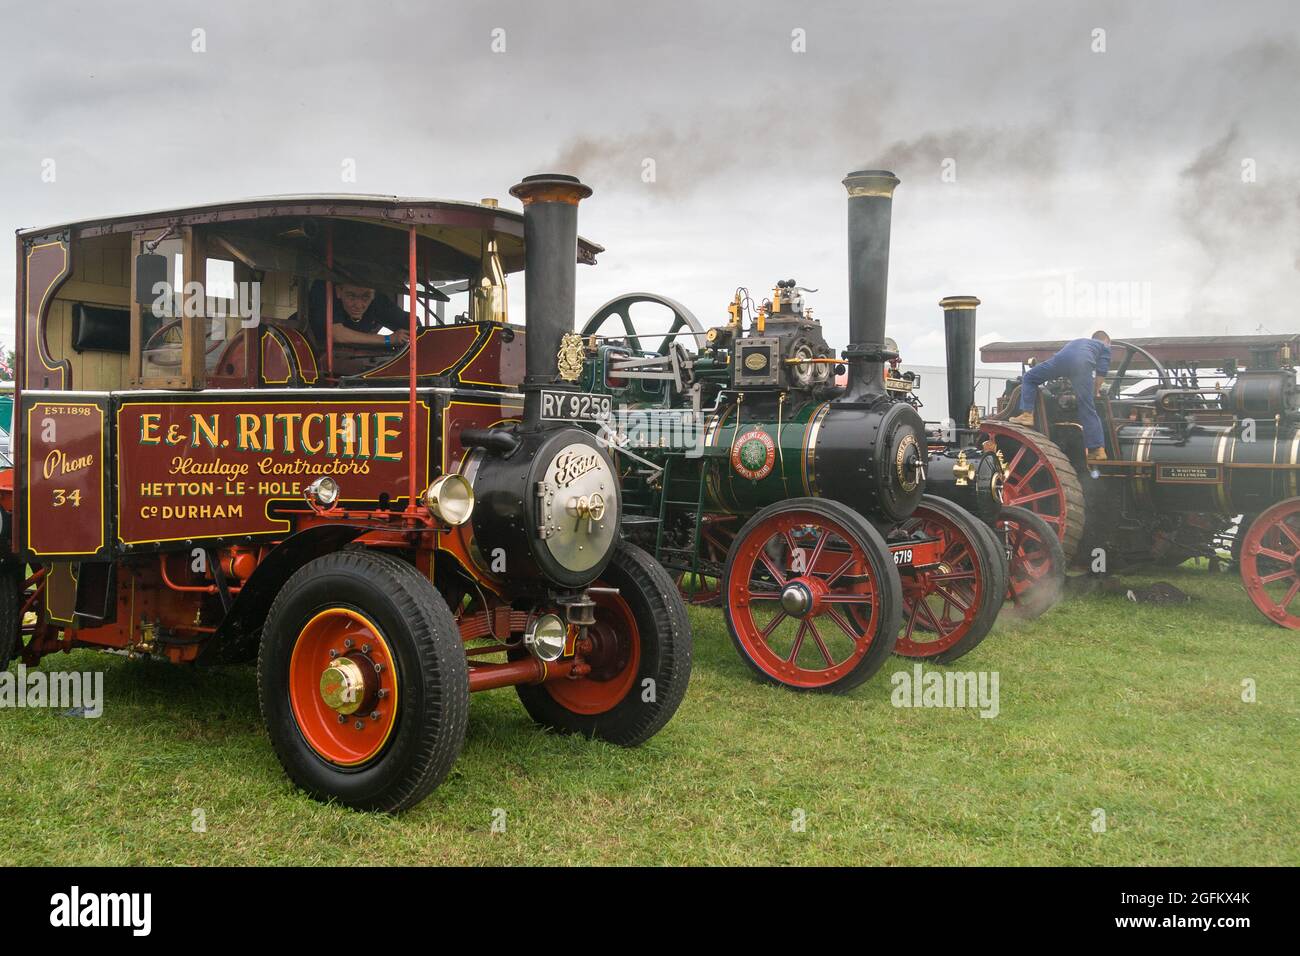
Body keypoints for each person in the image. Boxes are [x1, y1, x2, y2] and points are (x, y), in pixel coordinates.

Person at [1010, 330, 1112, 461]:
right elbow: (1101, 372)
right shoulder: (1105, 347)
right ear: (1106, 341)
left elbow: (1066, 356)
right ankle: (1097, 449)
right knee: (1087, 408)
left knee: (1029, 377)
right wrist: (1095, 391)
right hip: (1082, 364)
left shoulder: (1079, 341)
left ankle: (1027, 415)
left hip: (1061, 360)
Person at [307, 280, 410, 350]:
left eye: (365, 297)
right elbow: (337, 334)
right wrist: (388, 339)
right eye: (351, 296)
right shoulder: (324, 290)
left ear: (373, 294)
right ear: (338, 291)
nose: (358, 305)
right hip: (310, 352)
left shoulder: (378, 301)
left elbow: (408, 323)